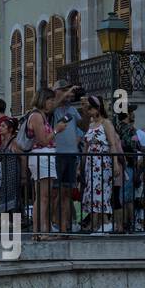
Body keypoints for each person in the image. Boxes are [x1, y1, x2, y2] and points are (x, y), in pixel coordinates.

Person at [81, 96, 123, 234]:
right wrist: (80, 165)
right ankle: (99, 224)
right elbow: (86, 147)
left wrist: (115, 163)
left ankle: (105, 223)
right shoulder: (91, 125)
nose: (89, 111)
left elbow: (112, 144)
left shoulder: (106, 123)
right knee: (92, 193)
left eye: (91, 109)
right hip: (90, 164)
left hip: (102, 163)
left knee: (101, 193)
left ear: (98, 108)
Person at [19, 88, 56, 237]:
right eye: (50, 100)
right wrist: (57, 130)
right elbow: (43, 140)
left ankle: (42, 229)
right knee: (43, 196)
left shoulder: (41, 116)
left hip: (44, 158)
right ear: (43, 100)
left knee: (44, 196)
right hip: (42, 157)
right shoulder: (36, 117)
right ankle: (39, 230)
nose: (52, 103)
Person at [51, 80, 84, 234]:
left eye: (69, 91)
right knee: (55, 193)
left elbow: (82, 127)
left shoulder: (72, 110)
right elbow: (55, 102)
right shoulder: (52, 109)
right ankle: (53, 222)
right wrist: (67, 89)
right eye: (64, 90)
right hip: (57, 155)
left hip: (71, 156)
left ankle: (64, 226)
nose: (68, 94)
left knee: (66, 192)